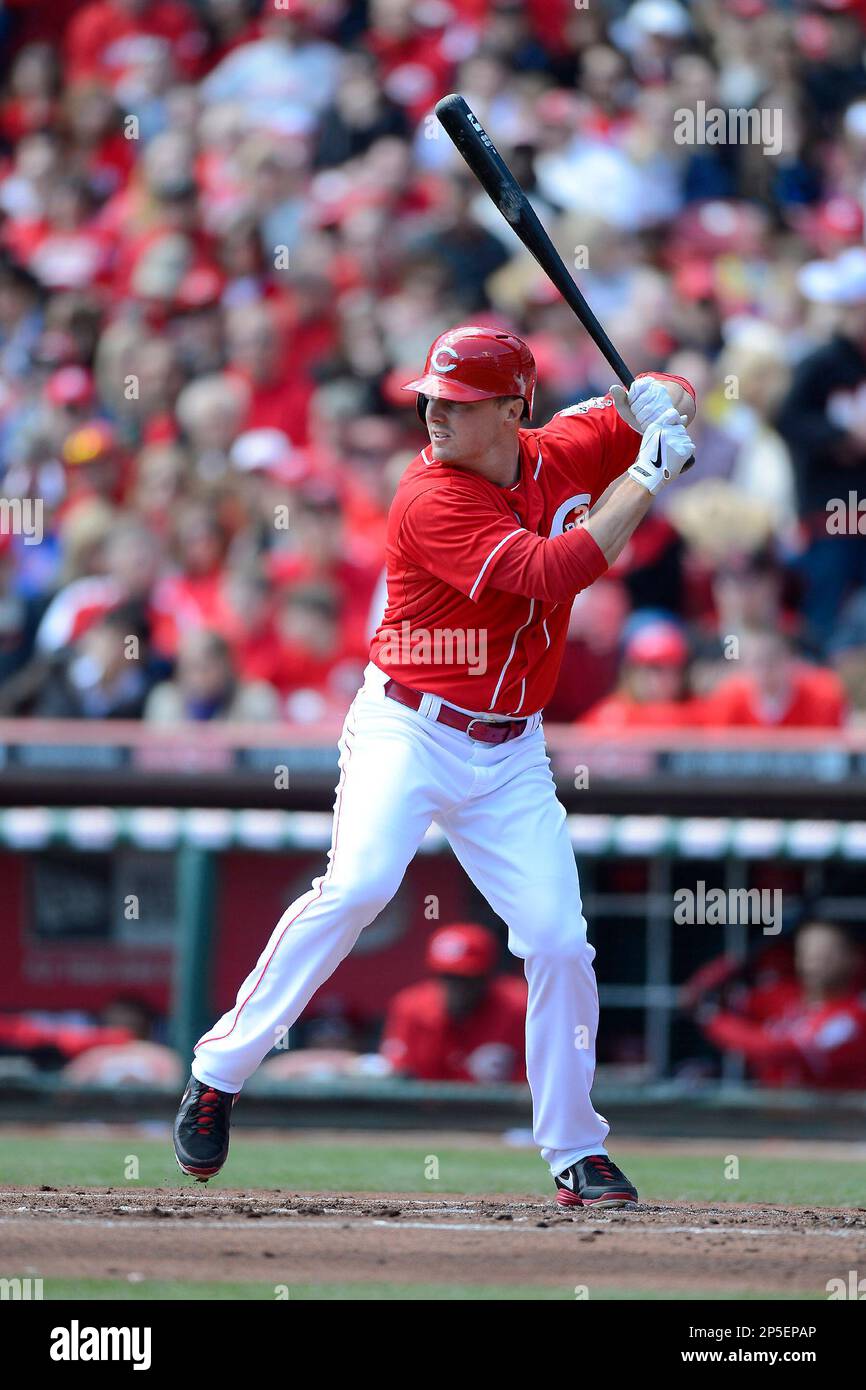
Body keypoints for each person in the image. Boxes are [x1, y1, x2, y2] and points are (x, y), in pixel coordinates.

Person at [173, 323, 696, 1210]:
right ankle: (219, 1072)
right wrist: (649, 471)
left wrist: (660, 400)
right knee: (360, 884)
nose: (434, 413)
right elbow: (555, 570)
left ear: (510, 407)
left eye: (456, 401)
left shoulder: (563, 446)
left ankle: (574, 1149)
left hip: (512, 748)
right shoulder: (427, 496)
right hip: (408, 726)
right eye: (430, 398)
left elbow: (673, 389)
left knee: (561, 942)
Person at [683, 921, 866, 1090]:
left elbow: (777, 1050)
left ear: (854, 958)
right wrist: (710, 980)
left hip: (835, 1121)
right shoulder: (784, 996)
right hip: (777, 1119)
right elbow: (722, 1001)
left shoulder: (852, 1018)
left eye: (827, 953)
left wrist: (710, 1018)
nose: (815, 961)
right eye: (808, 952)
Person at [380, 922, 528, 1083]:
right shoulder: (411, 1007)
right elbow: (398, 1073)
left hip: (498, 1108)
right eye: (447, 977)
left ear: (488, 976)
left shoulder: (518, 1006)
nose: (455, 987)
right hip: (428, 1107)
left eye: (466, 978)